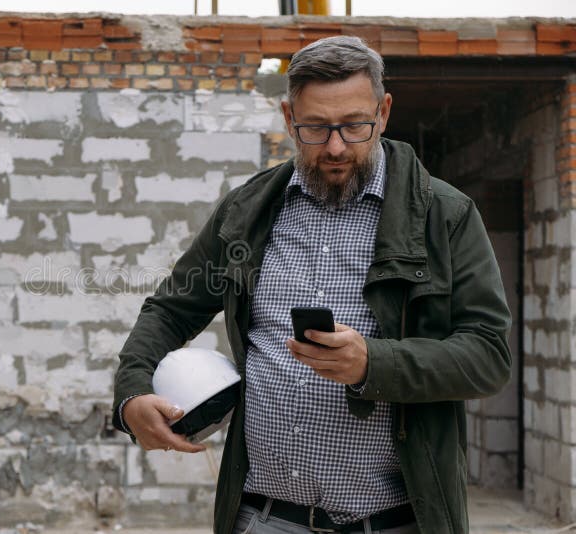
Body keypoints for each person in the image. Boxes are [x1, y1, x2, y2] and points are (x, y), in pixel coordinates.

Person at [112, 35, 512, 534]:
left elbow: (488, 355)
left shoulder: (444, 216)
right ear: (288, 118)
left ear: (384, 112)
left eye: (354, 125)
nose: (337, 146)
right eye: (316, 128)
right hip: (261, 519)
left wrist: (374, 363)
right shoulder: (247, 212)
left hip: (391, 522)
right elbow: (170, 311)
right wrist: (131, 395)